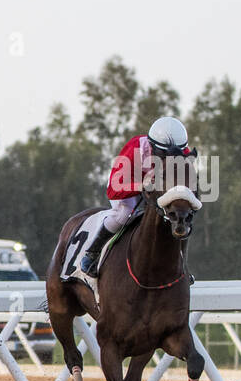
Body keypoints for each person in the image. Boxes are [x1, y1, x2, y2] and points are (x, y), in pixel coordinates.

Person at [79, 116, 194, 275]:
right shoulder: (134, 149)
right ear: (152, 146)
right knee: (123, 214)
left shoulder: (183, 152)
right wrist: (141, 186)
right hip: (129, 184)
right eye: (163, 155)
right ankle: (92, 253)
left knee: (179, 215)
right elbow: (113, 188)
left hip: (159, 188)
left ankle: (183, 266)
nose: (168, 160)